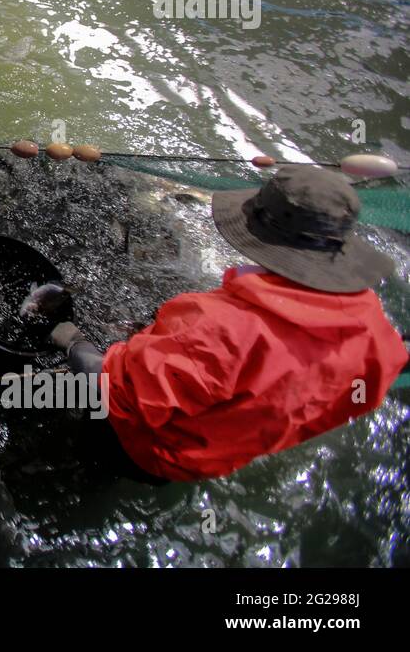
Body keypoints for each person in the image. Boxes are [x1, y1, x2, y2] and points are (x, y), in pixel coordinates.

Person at [52, 165, 407, 482]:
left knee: (78, 450)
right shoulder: (377, 333)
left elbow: (115, 390)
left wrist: (73, 342)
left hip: (142, 448)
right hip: (215, 456)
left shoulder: (218, 327)